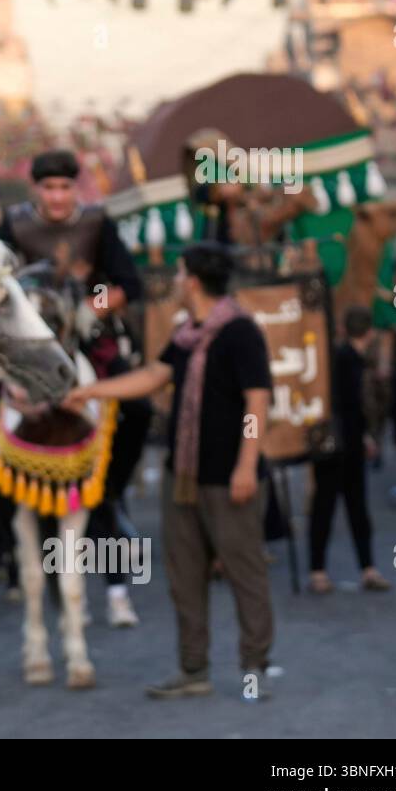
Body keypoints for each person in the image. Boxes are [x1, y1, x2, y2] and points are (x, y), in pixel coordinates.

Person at [65, 242, 276, 700]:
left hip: (228, 477)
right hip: (184, 474)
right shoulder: (187, 336)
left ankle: (254, 669)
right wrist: (92, 392)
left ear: (195, 281)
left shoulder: (240, 332)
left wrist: (245, 464)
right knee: (185, 576)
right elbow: (152, 377)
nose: (176, 281)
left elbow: (257, 402)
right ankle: (193, 669)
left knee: (244, 573)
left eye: (181, 274)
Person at [0, 150, 146, 628]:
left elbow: (128, 283)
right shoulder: (12, 226)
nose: (57, 197)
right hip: (30, 345)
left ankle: (113, 489)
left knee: (138, 409)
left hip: (89, 337)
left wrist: (91, 307)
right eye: (49, 188)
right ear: (35, 189)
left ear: (75, 189)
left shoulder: (98, 223)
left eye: (65, 187)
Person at [309, 306, 390, 593]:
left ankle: (319, 571)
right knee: (354, 507)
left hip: (329, 444)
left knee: (325, 507)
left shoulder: (335, 358)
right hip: (348, 444)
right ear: (369, 332)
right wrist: (368, 437)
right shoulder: (356, 363)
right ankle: (366, 568)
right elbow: (360, 407)